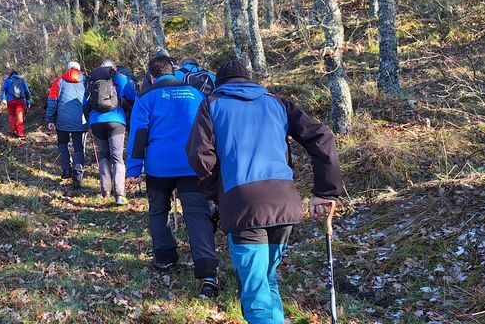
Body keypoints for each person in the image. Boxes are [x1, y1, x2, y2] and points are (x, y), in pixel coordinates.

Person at [186, 59, 343, 323]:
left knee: (255, 289)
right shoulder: (278, 102)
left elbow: (200, 155)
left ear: (219, 84)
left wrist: (217, 194)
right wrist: (325, 191)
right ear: (250, 80)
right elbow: (321, 136)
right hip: (284, 202)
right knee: (266, 279)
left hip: (243, 204)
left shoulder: (212, 104)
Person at [126, 56, 221, 298]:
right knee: (198, 215)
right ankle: (207, 274)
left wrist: (134, 169)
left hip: (159, 167)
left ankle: (165, 258)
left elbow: (139, 134)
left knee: (158, 211)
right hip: (192, 165)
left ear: (151, 76)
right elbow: (208, 130)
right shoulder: (195, 94)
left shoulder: (146, 97)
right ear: (173, 72)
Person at [85, 60, 136, 205]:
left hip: (96, 121)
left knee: (103, 155)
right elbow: (132, 98)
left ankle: (105, 191)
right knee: (117, 157)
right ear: (113, 68)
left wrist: (90, 120)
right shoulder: (120, 78)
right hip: (116, 120)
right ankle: (120, 194)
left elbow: (85, 103)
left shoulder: (92, 80)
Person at [45, 61, 88, 187]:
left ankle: (66, 169)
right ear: (79, 70)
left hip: (62, 120)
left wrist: (50, 119)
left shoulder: (59, 81)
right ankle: (78, 174)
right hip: (81, 120)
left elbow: (52, 101)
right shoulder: (86, 81)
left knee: (62, 143)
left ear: (67, 69)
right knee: (78, 147)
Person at [1, 70, 31, 138]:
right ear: (17, 75)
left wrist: (3, 99)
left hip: (10, 101)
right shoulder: (22, 81)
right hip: (20, 101)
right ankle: (20, 133)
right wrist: (28, 102)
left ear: (10, 75)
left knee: (11, 115)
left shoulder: (7, 81)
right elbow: (27, 92)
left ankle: (13, 130)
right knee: (19, 116)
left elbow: (3, 90)